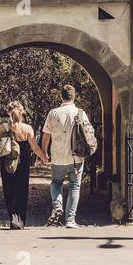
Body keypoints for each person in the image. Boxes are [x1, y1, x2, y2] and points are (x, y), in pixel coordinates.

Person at [40, 83, 97, 229]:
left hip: (58, 156)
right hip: (76, 156)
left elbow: (46, 136)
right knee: (75, 186)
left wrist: (44, 153)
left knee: (56, 183)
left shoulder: (53, 113)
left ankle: (58, 206)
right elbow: (88, 133)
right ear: (74, 96)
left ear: (61, 96)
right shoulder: (80, 113)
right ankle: (70, 220)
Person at [0, 101, 45, 229]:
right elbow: (35, 148)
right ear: (22, 112)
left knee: (9, 189)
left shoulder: (3, 127)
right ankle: (20, 221)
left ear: (9, 112)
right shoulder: (28, 128)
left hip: (7, 161)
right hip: (23, 162)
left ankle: (12, 218)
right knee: (21, 190)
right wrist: (44, 158)